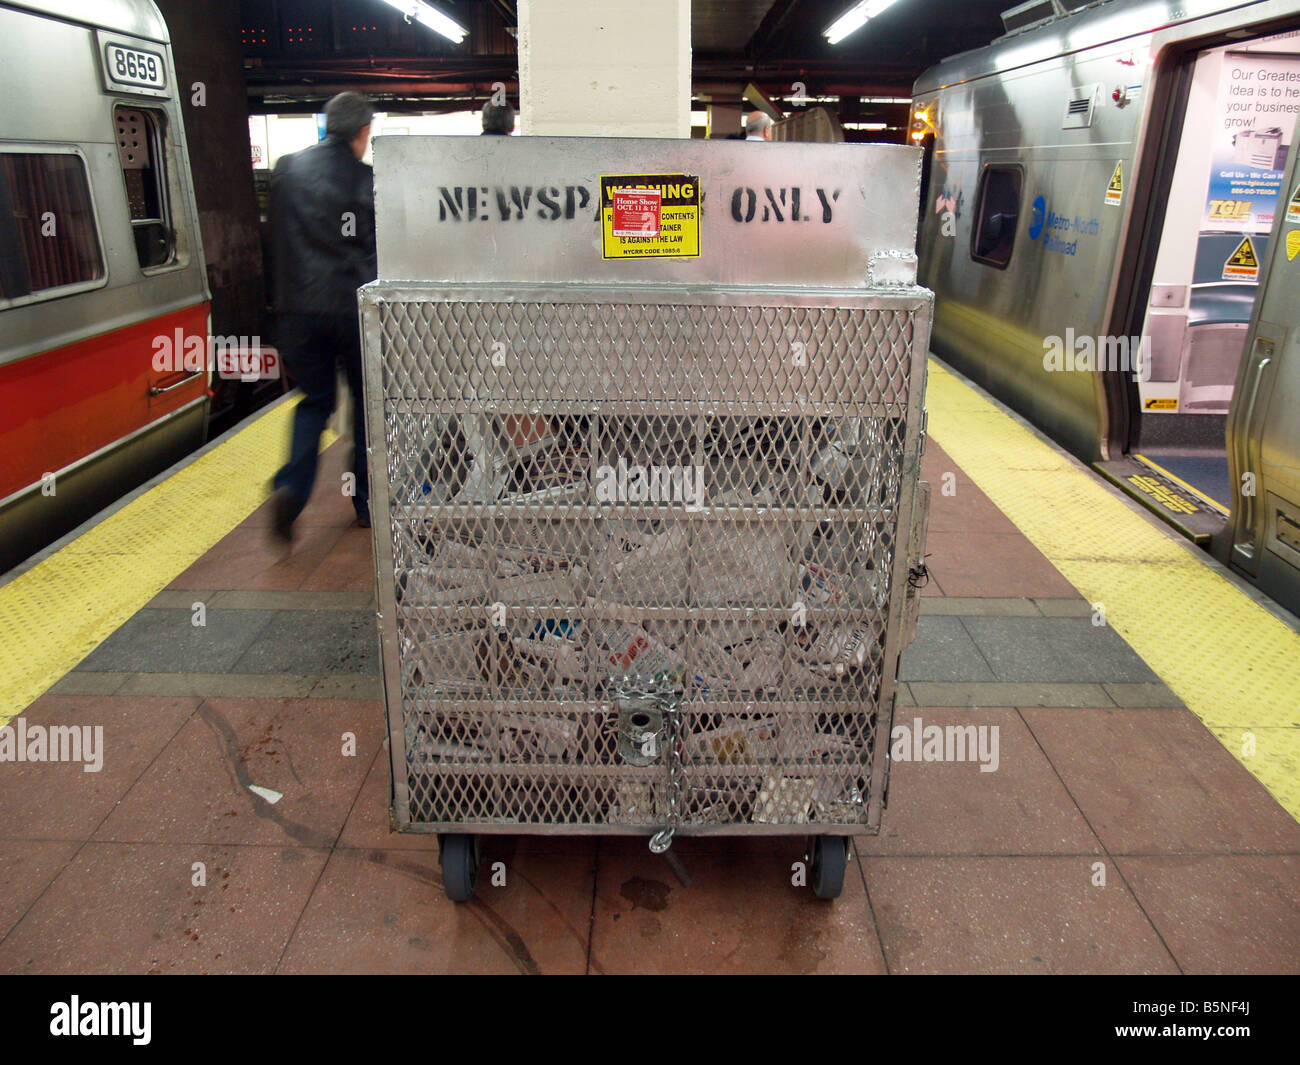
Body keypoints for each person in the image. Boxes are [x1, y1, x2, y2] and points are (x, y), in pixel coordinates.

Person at [268, 91, 377, 541]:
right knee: (368, 409)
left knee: (313, 402)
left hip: (298, 311)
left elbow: (271, 239)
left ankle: (291, 491)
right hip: (353, 312)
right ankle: (367, 502)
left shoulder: (288, 170)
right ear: (364, 132)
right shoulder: (370, 179)